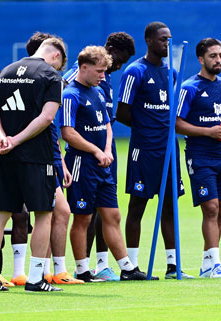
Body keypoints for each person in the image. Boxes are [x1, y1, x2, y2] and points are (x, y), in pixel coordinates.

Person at [60, 46, 149, 282]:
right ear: (84, 67)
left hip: (103, 164)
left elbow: (108, 124)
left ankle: (127, 268)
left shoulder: (98, 92)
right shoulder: (71, 94)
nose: (103, 76)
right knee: (83, 217)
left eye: (104, 71)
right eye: (99, 71)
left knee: (113, 215)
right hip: (82, 163)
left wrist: (107, 149)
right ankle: (82, 270)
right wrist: (96, 151)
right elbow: (68, 133)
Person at [117, 21, 187, 280]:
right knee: (138, 206)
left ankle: (172, 266)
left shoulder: (172, 73)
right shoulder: (135, 71)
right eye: (162, 39)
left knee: (170, 207)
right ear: (149, 41)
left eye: (169, 39)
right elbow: (122, 111)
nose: (167, 44)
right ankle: (132, 267)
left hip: (169, 148)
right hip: (144, 149)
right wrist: (147, 127)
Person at [0, 37, 66, 292]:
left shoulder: (6, 71)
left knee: (2, 213)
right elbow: (47, 117)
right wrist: (16, 140)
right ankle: (36, 279)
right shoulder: (51, 76)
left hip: (5, 155)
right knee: (43, 214)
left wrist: (4, 138)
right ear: (56, 57)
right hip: (37, 157)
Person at [176, 38, 221, 278]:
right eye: (213, 56)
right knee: (210, 208)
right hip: (200, 156)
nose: (218, 60)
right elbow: (176, 123)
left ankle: (207, 264)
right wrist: (207, 132)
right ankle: (215, 265)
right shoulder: (189, 88)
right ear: (201, 59)